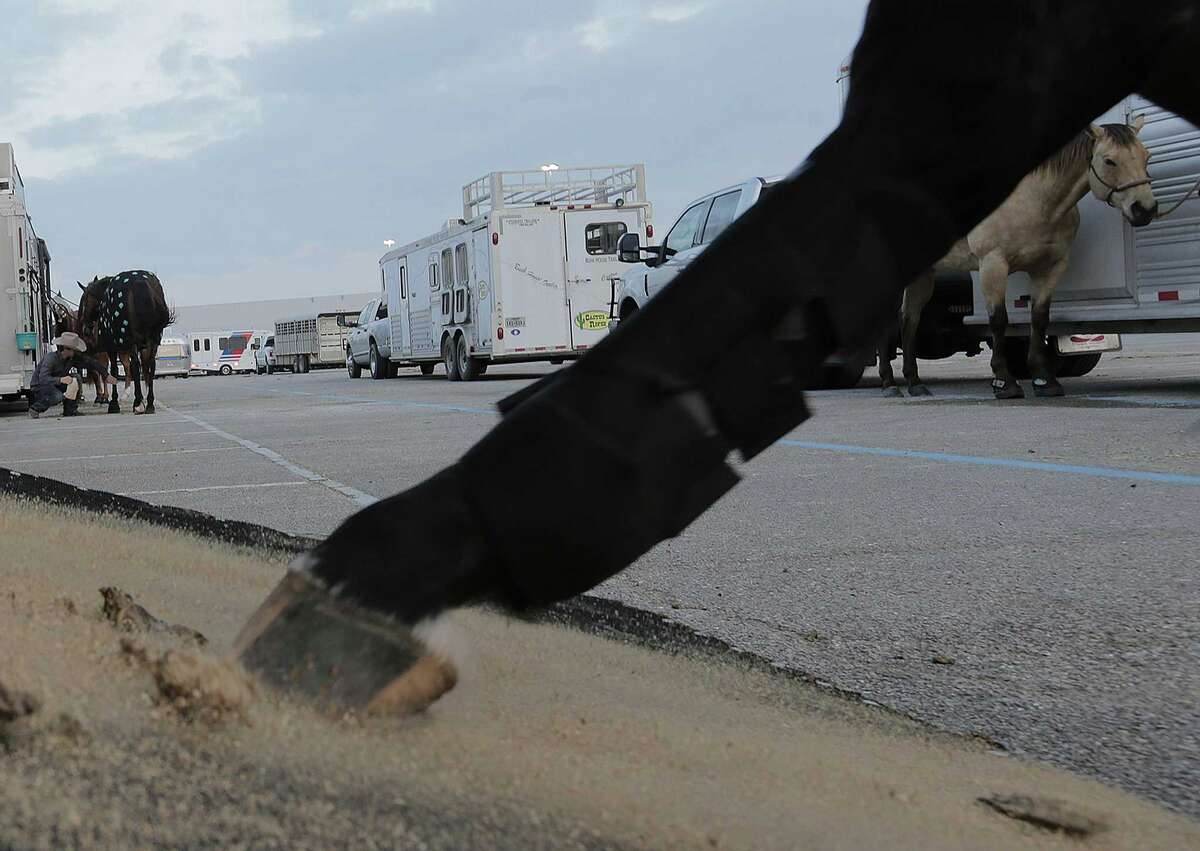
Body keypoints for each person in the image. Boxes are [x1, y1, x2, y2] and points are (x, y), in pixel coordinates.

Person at [29, 332, 117, 419]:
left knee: (76, 378)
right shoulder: (51, 359)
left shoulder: (71, 359)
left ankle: (70, 410)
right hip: (40, 387)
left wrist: (106, 375)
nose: (76, 352)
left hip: (55, 384)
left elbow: (91, 362)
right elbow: (43, 379)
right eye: (74, 350)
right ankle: (35, 408)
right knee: (57, 396)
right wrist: (60, 380)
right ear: (67, 349)